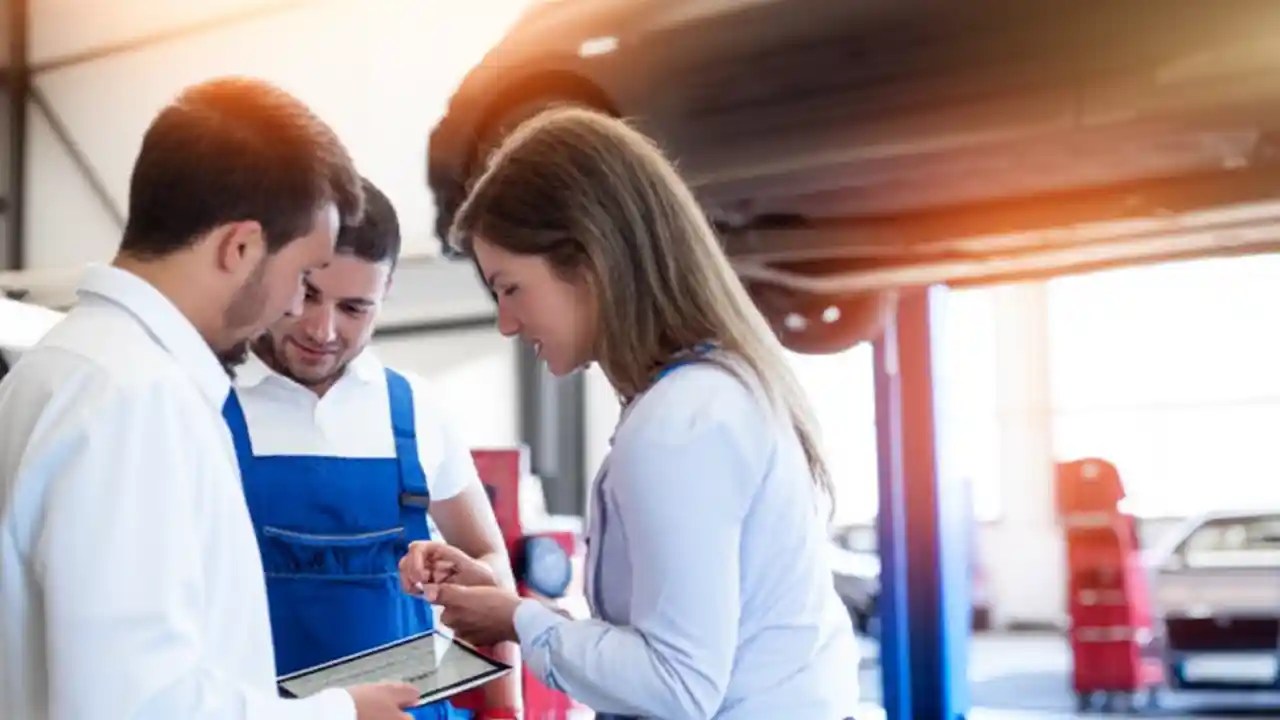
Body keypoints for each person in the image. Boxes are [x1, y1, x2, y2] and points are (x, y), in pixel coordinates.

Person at [399, 107, 861, 719]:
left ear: (589, 260)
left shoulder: (678, 425)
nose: (508, 322)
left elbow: (676, 686)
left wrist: (517, 618)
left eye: (511, 288)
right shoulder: (717, 392)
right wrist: (518, 615)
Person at [0, 77, 420, 720]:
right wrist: (337, 714)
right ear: (241, 247)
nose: (292, 307)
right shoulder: (136, 402)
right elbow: (134, 707)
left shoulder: (58, 370)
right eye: (302, 277)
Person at [224, 177, 522, 720]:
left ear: (386, 297)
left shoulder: (416, 410)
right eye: (308, 295)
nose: (323, 329)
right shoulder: (209, 407)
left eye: (354, 308)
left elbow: (491, 565)